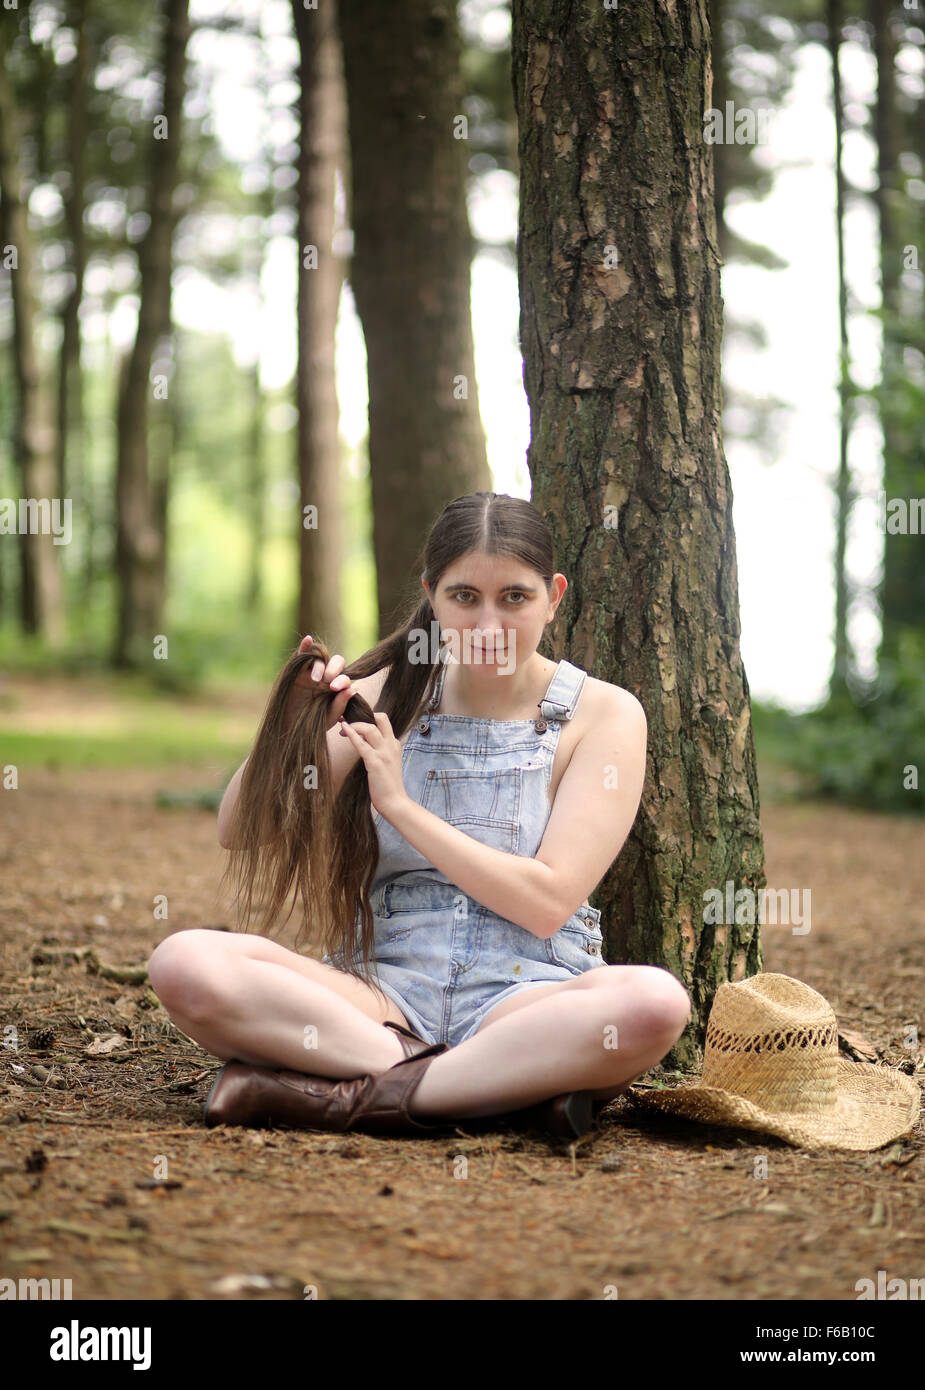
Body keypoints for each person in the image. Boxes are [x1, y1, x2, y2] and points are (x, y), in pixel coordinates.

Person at [147, 492, 691, 1136]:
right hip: (381, 996)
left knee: (653, 1003)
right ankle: (485, 1088)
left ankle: (340, 1094)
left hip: (527, 996)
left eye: (514, 597)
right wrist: (292, 730)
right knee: (185, 962)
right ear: (431, 595)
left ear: (555, 596)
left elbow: (547, 902)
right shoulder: (383, 694)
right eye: (465, 597)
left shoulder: (602, 713)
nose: (489, 626)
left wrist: (402, 809)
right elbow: (240, 831)